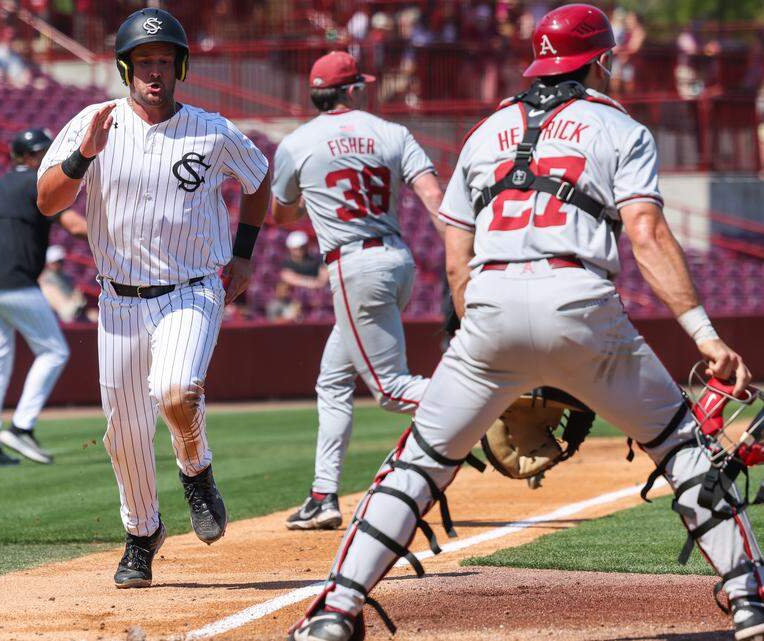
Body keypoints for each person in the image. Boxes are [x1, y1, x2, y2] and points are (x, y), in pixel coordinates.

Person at [288, 6, 763, 641]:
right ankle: (749, 599)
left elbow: (456, 258)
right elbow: (646, 233)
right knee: (680, 444)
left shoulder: (484, 133)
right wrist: (705, 335)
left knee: (419, 464)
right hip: (581, 298)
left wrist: (484, 356)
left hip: (490, 299)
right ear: (598, 61)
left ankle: (336, 609)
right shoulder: (620, 128)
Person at [36, 8, 271, 589]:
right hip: (118, 301)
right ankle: (142, 534)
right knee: (124, 432)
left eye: (165, 61)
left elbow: (260, 180)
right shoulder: (94, 122)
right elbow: (46, 200)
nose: (155, 73)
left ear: (181, 66)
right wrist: (82, 155)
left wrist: (242, 254)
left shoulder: (212, 129)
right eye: (144, 63)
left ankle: (196, 468)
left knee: (175, 389)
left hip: (191, 289)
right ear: (125, 68)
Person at [272, 51, 445, 531]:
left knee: (390, 389)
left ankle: (488, 397)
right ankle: (323, 496)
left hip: (354, 265)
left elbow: (280, 216)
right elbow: (434, 198)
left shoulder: (298, 142)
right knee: (332, 380)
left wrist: (317, 198)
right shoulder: (392, 133)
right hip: (396, 258)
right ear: (352, 90)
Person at [0, 128, 87, 470]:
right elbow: (76, 226)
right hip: (14, 281)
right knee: (54, 351)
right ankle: (21, 426)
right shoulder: (38, 181)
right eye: (41, 152)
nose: (45, 156)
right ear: (26, 157)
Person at [38, 245, 86, 323]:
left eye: (60, 261)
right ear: (49, 262)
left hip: (73, 307)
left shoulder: (65, 276)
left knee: (94, 315)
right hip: (60, 311)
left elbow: (75, 294)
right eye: (55, 262)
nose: (58, 264)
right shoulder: (44, 278)